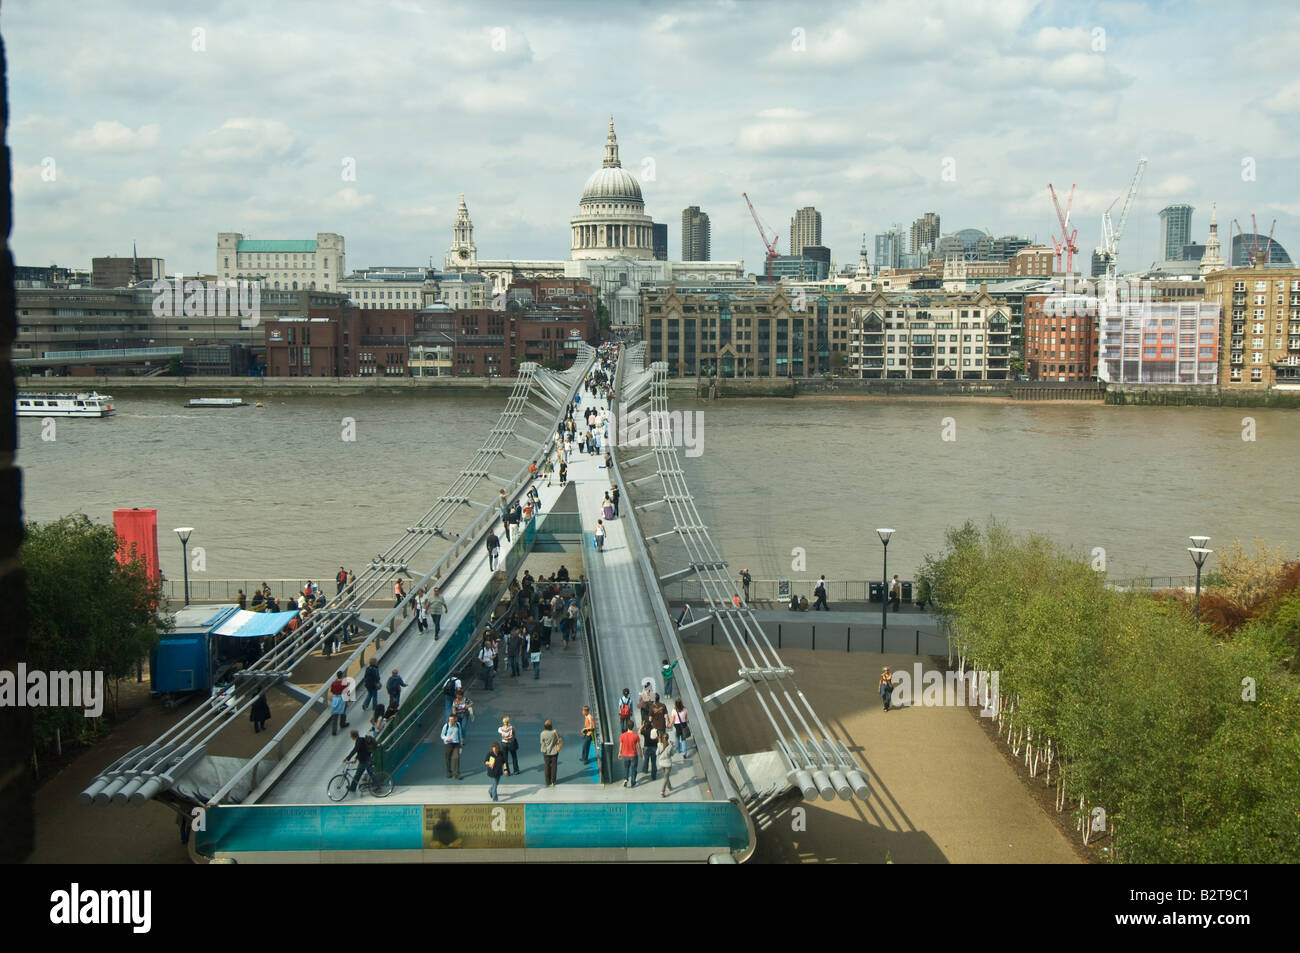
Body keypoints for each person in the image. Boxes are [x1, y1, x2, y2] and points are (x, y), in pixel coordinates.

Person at [540, 720, 562, 787]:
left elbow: (541, 742)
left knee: (547, 766)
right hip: (554, 752)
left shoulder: (542, 733)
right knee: (554, 767)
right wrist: (556, 733)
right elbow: (558, 740)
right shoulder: (553, 733)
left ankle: (547, 781)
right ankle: (553, 782)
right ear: (551, 726)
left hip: (546, 752)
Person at [619, 722, 641, 788]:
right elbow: (638, 746)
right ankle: (633, 781)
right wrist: (641, 753)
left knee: (626, 768)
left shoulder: (622, 735)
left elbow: (620, 746)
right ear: (633, 727)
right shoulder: (635, 736)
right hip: (633, 755)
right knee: (633, 768)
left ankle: (626, 779)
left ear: (627, 726)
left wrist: (619, 753)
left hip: (625, 755)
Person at [329, 670, 348, 735]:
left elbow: (332, 691)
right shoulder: (344, 683)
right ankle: (342, 723)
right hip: (342, 698)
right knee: (343, 712)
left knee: (335, 715)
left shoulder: (333, 683)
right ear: (342, 675)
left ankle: (334, 730)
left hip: (335, 698)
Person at [659, 732, 675, 797]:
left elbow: (657, 753)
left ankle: (669, 787)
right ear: (668, 739)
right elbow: (672, 754)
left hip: (661, 763)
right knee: (666, 777)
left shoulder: (660, 745)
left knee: (666, 776)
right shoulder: (670, 746)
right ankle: (662, 791)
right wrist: (672, 746)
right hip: (668, 764)